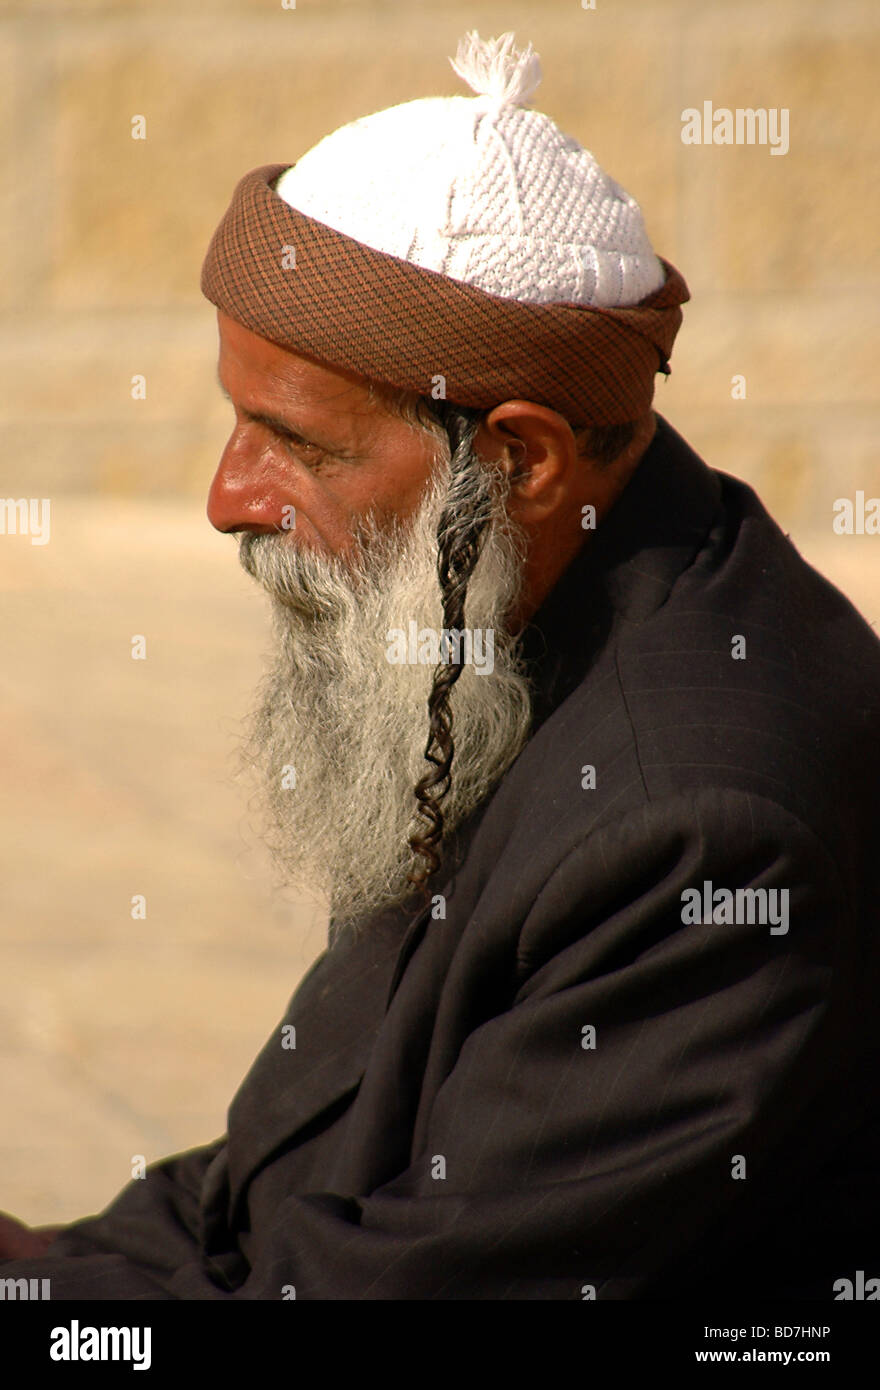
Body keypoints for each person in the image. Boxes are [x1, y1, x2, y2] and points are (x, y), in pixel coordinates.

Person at [2, 30, 879, 1300]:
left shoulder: (703, 833)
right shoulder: (504, 612)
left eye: (295, 443)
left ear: (519, 459)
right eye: (234, 420)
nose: (226, 497)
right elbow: (299, 1164)